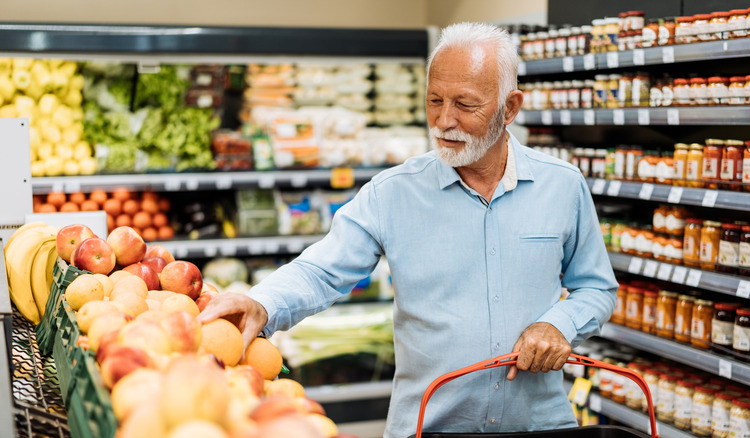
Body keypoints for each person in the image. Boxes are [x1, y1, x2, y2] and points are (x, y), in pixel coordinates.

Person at [199, 22, 617, 438]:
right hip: (428, 428)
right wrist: (262, 304)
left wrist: (560, 323)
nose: (444, 120)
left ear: (510, 108)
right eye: (434, 100)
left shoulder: (562, 185)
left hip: (539, 426)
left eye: (465, 104)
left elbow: (596, 288)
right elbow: (321, 271)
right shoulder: (392, 192)